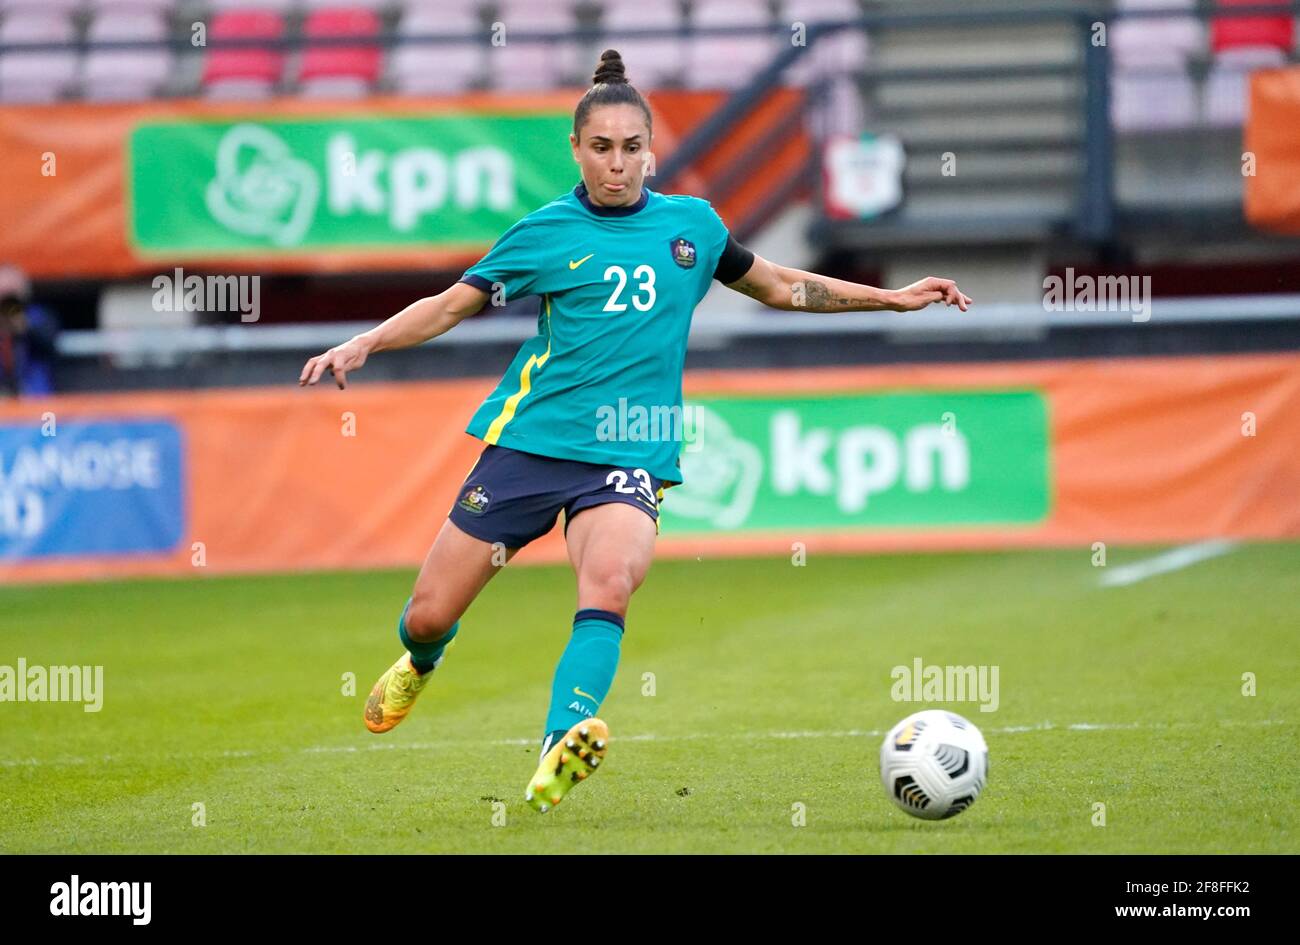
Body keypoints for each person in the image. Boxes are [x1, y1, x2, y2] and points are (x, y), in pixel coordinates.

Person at [299, 49, 971, 814]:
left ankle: (560, 741)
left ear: (650, 150)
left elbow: (783, 286)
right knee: (429, 611)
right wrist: (364, 341)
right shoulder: (545, 232)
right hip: (531, 445)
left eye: (630, 148)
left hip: (631, 449)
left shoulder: (694, 226)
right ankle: (421, 660)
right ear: (577, 150)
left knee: (610, 581)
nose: (617, 165)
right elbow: (452, 304)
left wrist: (893, 299)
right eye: (600, 148)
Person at [0, 264, 58, 398]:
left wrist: (24, 326)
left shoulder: (38, 316)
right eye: (3, 293)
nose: (7, 302)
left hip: (33, 393)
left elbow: (49, 344)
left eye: (11, 293)